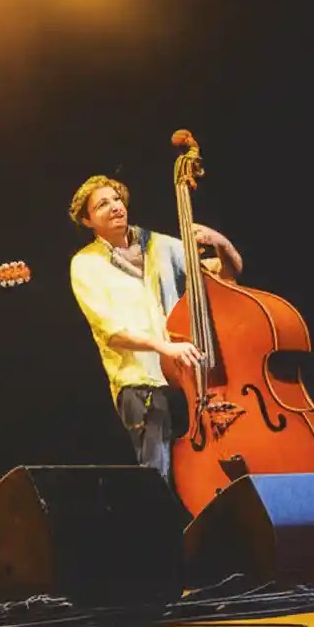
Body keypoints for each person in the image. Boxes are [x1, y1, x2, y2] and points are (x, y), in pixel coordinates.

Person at [68, 174, 242, 481]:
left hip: (187, 376)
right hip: (140, 382)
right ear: (87, 220)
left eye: (117, 199)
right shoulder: (85, 264)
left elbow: (226, 276)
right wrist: (163, 346)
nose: (115, 207)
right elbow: (111, 331)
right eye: (102, 204)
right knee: (157, 474)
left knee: (208, 466)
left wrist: (221, 243)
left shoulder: (160, 245)